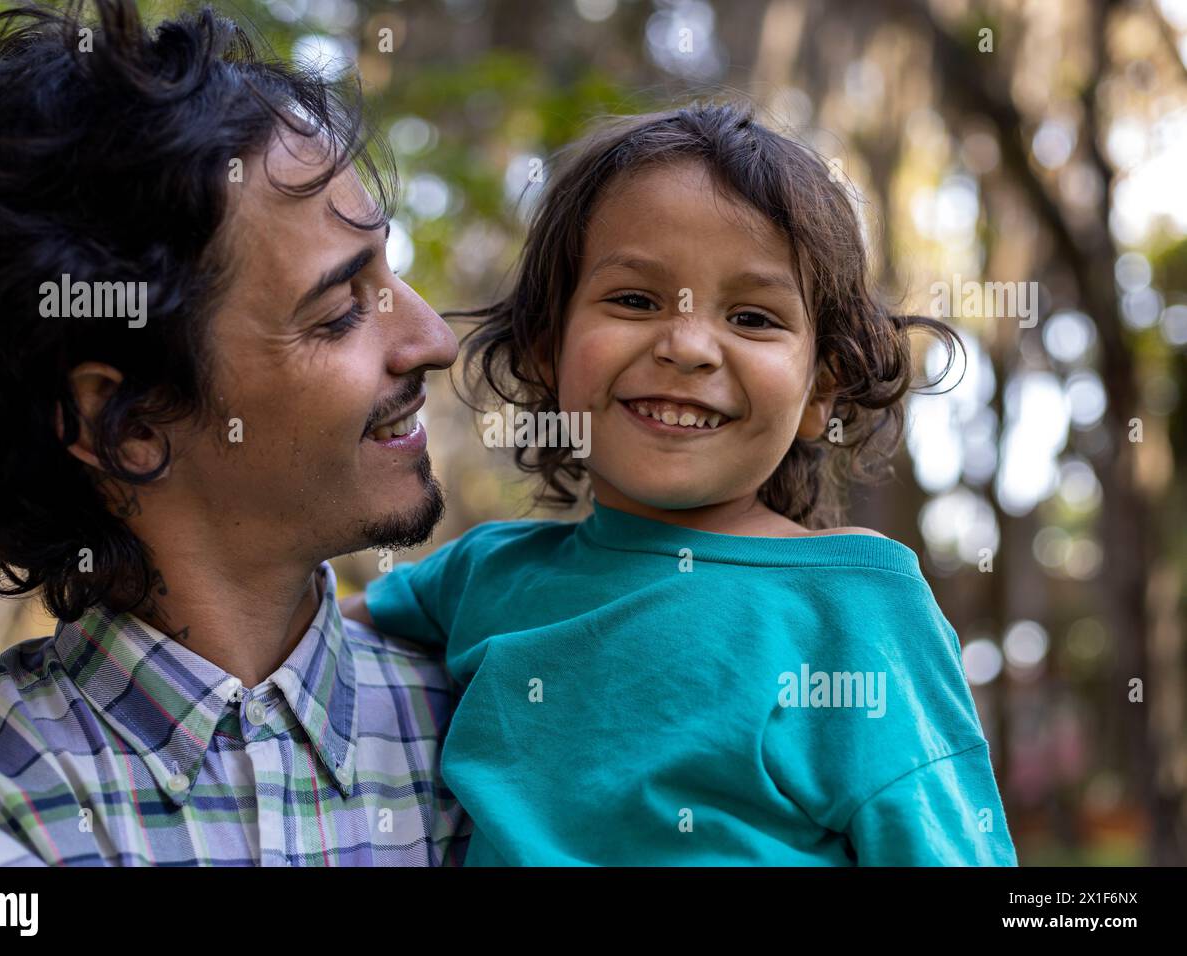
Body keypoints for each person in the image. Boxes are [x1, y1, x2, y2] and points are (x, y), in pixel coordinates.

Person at [342, 104, 1019, 866]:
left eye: (755, 317)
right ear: (544, 353)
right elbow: (298, 633)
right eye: (635, 300)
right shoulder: (483, 574)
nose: (689, 345)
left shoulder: (854, 608)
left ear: (821, 391)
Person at [0, 0, 467, 865]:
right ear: (124, 427)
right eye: (343, 310)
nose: (435, 341)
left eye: (393, 272)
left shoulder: (491, 732)